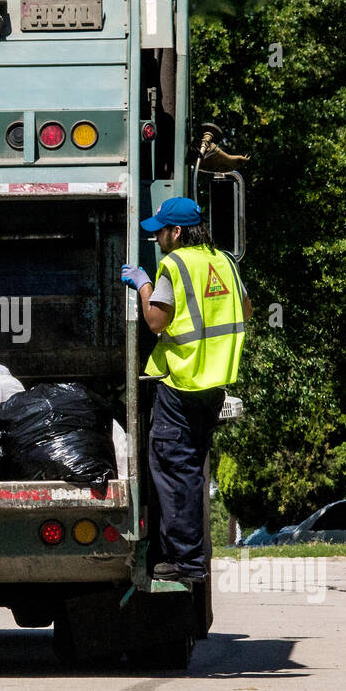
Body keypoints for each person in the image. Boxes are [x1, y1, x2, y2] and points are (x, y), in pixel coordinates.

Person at [122, 196, 250, 581]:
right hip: (213, 384)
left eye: (160, 231)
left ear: (176, 233)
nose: (157, 238)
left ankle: (185, 562)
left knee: (173, 469)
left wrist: (143, 286)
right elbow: (245, 310)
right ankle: (191, 558)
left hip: (180, 384)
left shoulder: (174, 264)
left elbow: (157, 321)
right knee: (192, 471)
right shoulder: (224, 261)